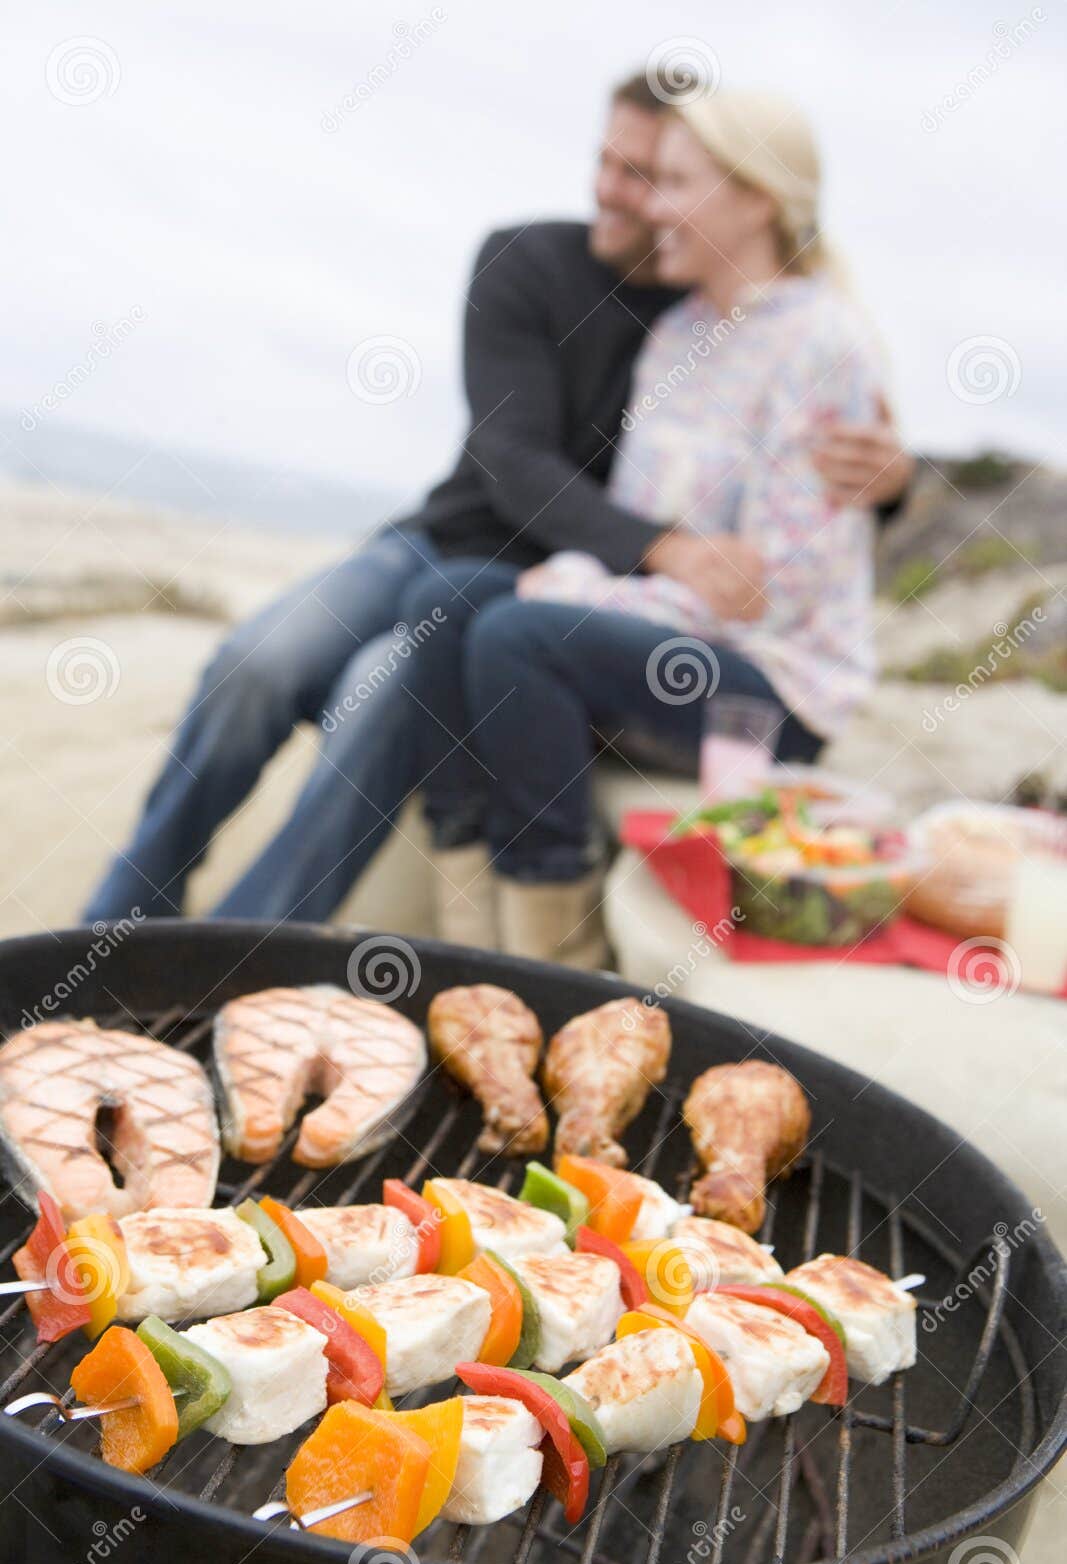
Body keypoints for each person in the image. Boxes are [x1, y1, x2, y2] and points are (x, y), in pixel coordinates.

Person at [84, 72, 910, 932]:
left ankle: (246, 947)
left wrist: (890, 483)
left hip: (563, 583)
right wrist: (665, 551)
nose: (618, 193)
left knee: (382, 691)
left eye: (654, 175)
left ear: (736, 190)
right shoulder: (537, 265)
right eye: (612, 163)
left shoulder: (712, 300)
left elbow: (802, 469)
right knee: (259, 664)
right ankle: (122, 913)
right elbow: (510, 455)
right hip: (453, 542)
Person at [401, 89, 889, 967]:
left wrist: (582, 589)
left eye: (674, 183)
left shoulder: (824, 346)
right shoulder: (673, 336)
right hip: (667, 639)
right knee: (444, 602)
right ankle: (470, 938)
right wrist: (596, 584)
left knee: (520, 636)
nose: (649, 205)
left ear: (754, 198)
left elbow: (766, 600)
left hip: (768, 693)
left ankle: (560, 961)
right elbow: (647, 547)